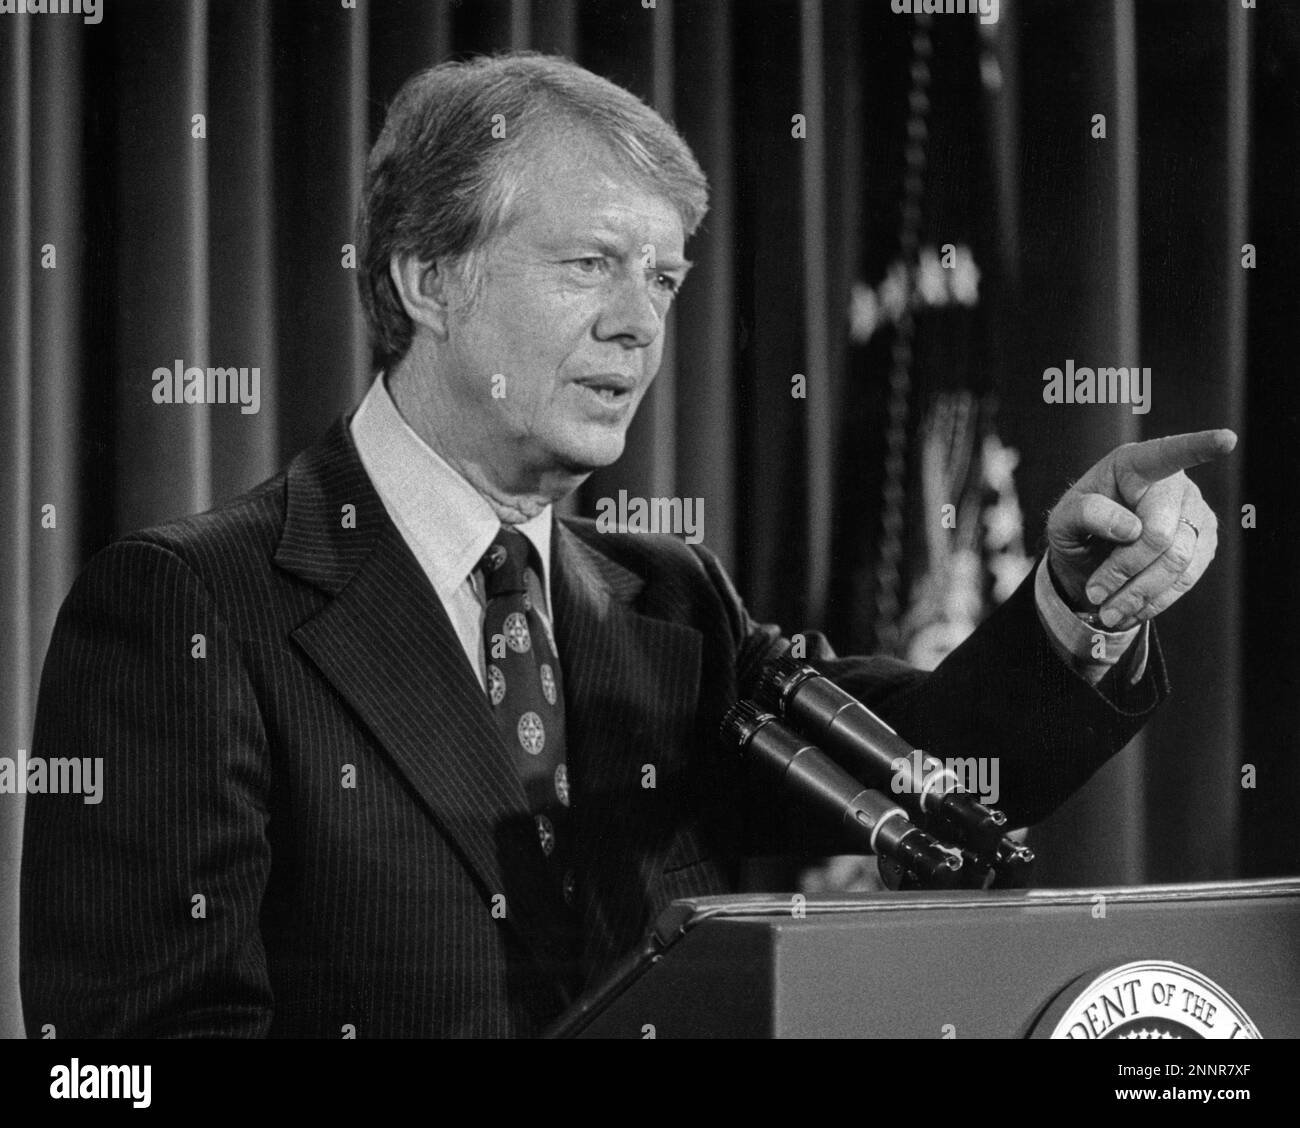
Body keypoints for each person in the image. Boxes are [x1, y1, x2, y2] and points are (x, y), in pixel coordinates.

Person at [20, 52, 1233, 1038]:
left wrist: (1081, 604)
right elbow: (119, 1062)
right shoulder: (196, 603)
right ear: (426, 281)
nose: (638, 324)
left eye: (664, 277)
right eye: (592, 265)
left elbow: (936, 773)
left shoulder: (667, 600)